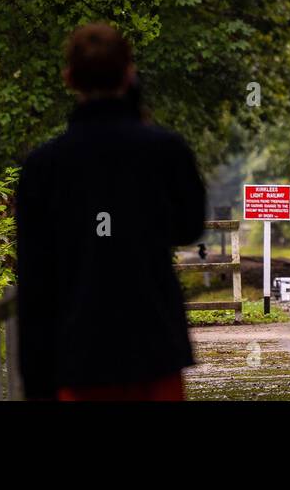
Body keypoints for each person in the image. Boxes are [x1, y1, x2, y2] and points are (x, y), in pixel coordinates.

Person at [15, 22, 205, 401]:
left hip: (79, 356)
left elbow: (34, 283)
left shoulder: (43, 166)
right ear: (130, 73)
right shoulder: (166, 150)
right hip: (154, 347)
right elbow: (189, 226)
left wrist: (37, 381)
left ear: (69, 79)